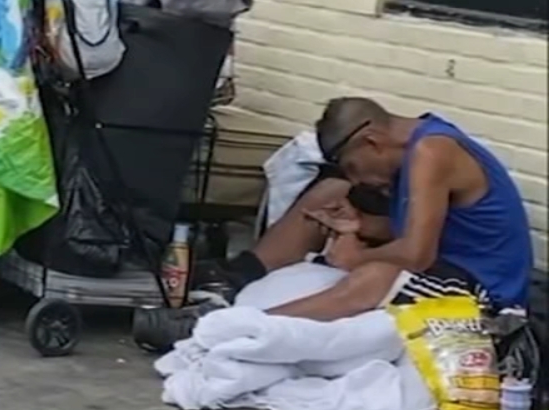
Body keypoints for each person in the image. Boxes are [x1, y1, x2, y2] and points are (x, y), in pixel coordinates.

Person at [224, 97, 532, 321]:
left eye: (354, 167)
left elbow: (417, 254)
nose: (357, 179)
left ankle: (243, 327)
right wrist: (361, 224)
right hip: (447, 265)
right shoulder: (409, 149)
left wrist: (355, 258)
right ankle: (227, 287)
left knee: (376, 274)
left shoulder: (431, 152)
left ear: (372, 142)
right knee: (328, 195)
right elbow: (434, 228)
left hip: (487, 291)